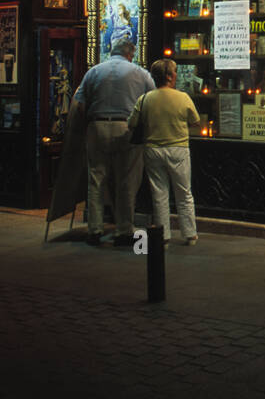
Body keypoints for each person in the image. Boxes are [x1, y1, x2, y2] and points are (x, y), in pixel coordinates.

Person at [74, 39, 154, 246]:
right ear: (130, 54)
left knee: (96, 179)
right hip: (127, 128)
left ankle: (95, 229)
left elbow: (80, 104)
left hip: (97, 126)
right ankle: (124, 230)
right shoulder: (141, 73)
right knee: (127, 180)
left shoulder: (93, 72)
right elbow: (151, 102)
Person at [129, 59, 201, 246]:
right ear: (169, 76)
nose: (176, 75)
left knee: (159, 194)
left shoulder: (145, 99)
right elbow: (195, 121)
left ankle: (163, 236)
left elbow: (132, 123)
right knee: (184, 193)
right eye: (175, 72)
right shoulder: (183, 97)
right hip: (178, 148)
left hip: (153, 150)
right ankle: (190, 234)